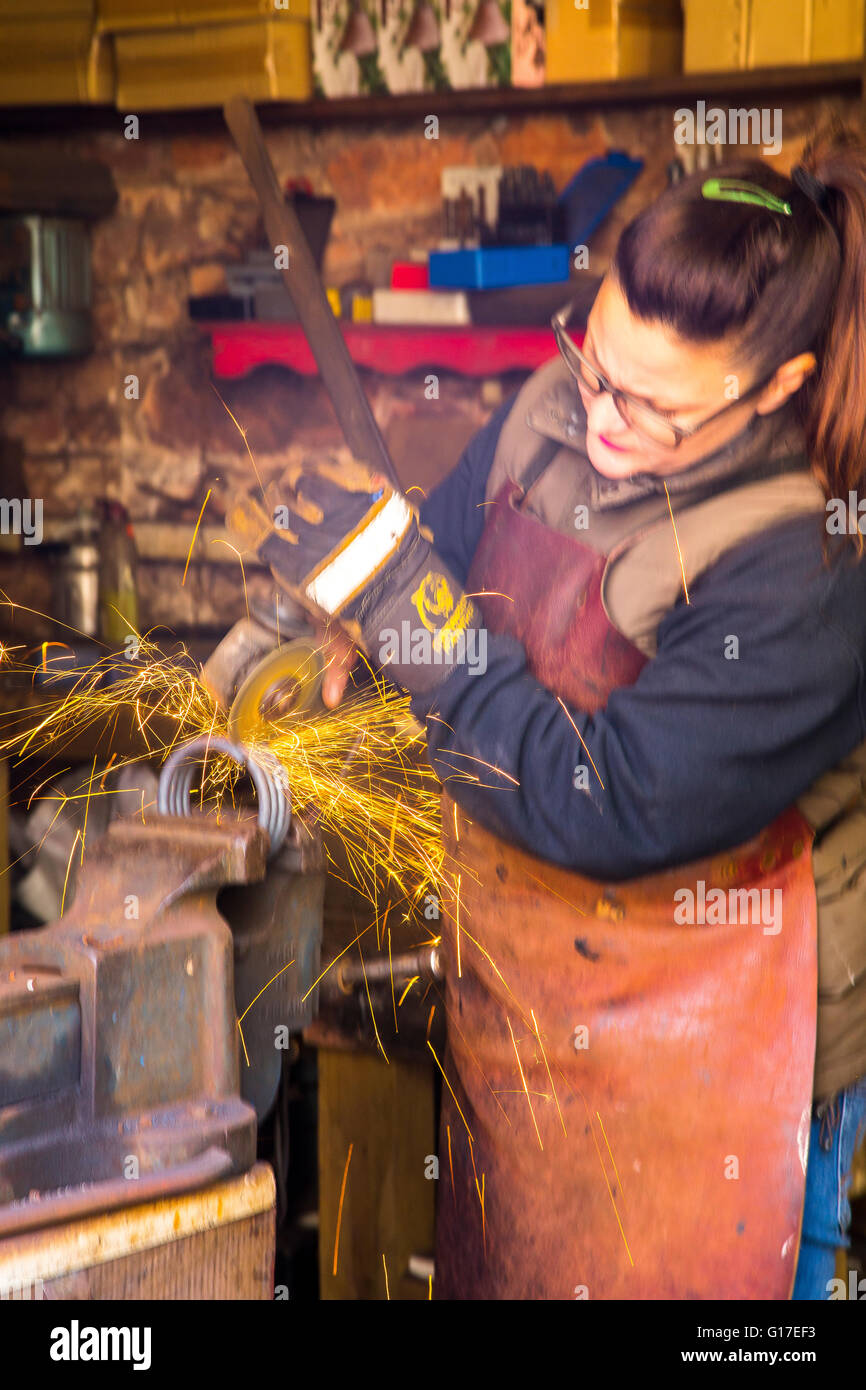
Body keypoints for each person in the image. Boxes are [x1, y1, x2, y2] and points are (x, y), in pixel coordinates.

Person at [244, 116, 866, 1299]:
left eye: (655, 412)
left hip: (726, 1058)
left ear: (777, 384)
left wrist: (404, 612)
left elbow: (604, 800)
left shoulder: (808, 564)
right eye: (595, 366)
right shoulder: (551, 407)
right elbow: (444, 546)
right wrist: (369, 595)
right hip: (524, 1012)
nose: (601, 420)